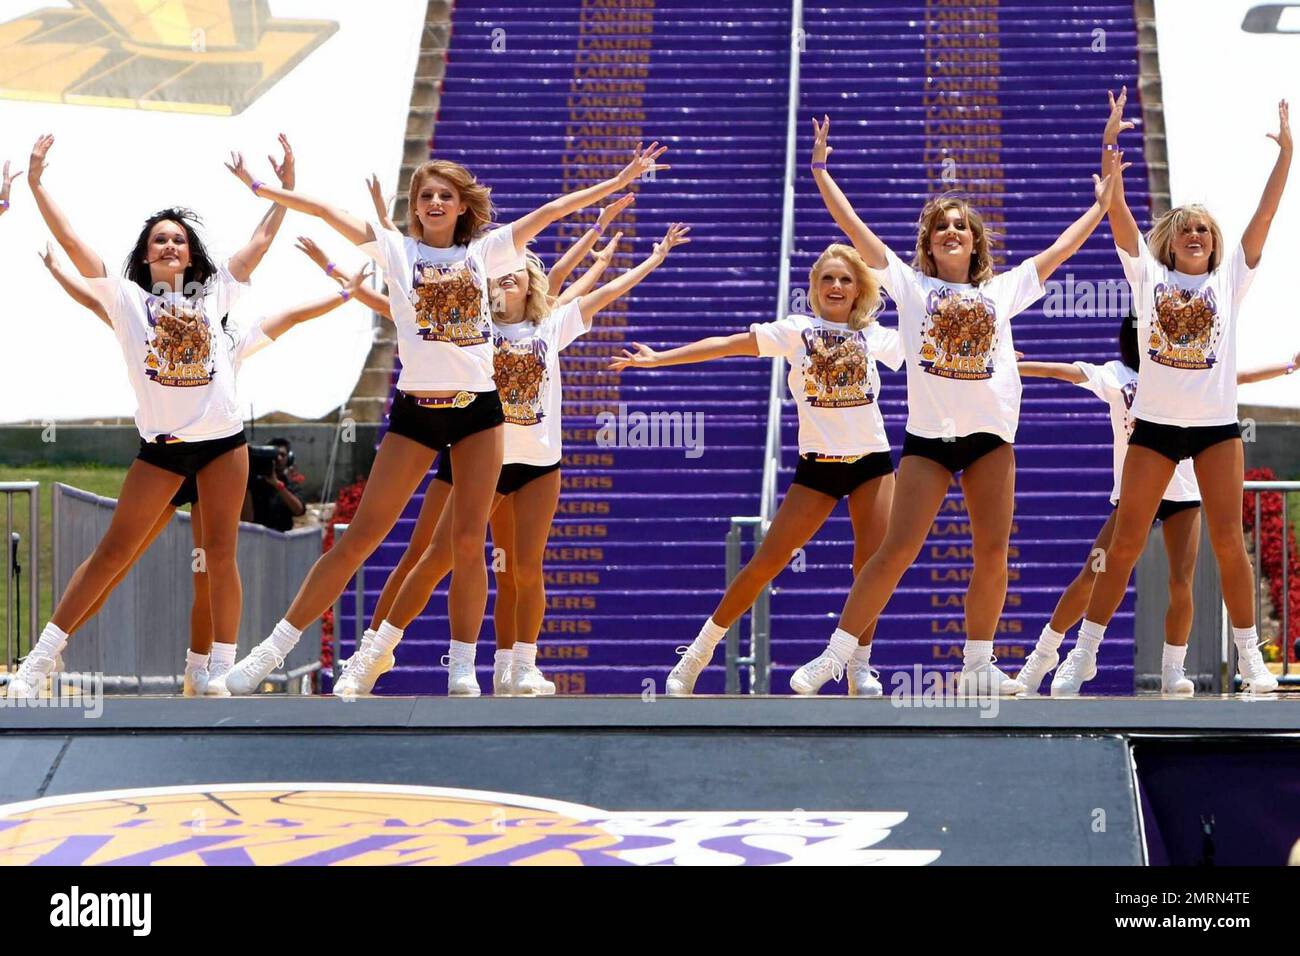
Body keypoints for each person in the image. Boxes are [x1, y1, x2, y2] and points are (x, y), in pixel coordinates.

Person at [215, 143, 669, 695]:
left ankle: (461, 665)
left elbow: (552, 212)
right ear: (415, 206)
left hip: (478, 413)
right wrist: (264, 190)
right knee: (360, 538)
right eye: (426, 194)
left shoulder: (488, 251)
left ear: (460, 206)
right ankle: (270, 652)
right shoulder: (395, 250)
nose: (434, 201)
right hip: (417, 413)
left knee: (467, 540)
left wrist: (619, 178)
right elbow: (328, 211)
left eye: (445, 195)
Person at [794, 114, 1123, 697]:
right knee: (896, 549)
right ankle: (836, 656)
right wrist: (822, 172)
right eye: (941, 227)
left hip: (990, 438)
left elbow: (1057, 253)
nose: (951, 232)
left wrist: (1102, 207)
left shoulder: (1002, 291)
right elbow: (856, 229)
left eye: (961, 228)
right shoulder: (910, 285)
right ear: (929, 243)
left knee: (992, 550)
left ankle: (978, 665)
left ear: (975, 243)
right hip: (928, 440)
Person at [338, 223, 690, 697]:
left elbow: (603, 291)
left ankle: (520, 665)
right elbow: (413, 310)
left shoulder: (551, 324)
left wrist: (654, 257)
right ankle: (375, 652)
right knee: (438, 556)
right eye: (499, 276)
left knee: (525, 569)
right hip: (478, 455)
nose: (506, 281)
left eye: (515, 276)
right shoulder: (472, 327)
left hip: (539, 464)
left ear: (530, 283)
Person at [9, 133, 297, 699]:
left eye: (179, 240)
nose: (169, 246)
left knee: (219, 554)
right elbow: (73, 242)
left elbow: (261, 240)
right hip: (162, 449)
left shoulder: (216, 292)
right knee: (113, 553)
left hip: (222, 445)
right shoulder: (125, 301)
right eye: (159, 240)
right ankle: (39, 662)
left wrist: (284, 186)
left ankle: (218, 667)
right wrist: (39, 184)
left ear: (191, 254)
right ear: (146, 254)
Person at [1051, 91, 1292, 696]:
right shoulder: (1148, 277)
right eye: (1185, 228)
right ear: (1172, 241)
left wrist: (1285, 156)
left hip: (1214, 427)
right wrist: (1110, 146)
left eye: (1203, 231)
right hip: (1154, 426)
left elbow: (1263, 219)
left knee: (1226, 543)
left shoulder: (1229, 280)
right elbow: (1119, 213)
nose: (1194, 235)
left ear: (1213, 243)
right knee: (1125, 543)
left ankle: (1250, 660)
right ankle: (1084, 654)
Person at [611, 244, 900, 696]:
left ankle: (859, 665)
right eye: (828, 279)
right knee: (766, 562)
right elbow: (727, 345)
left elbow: (933, 359)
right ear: (814, 289)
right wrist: (659, 359)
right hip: (818, 466)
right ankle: (696, 656)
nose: (837, 287)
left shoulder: (877, 335)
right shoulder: (796, 331)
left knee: (871, 566)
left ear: (859, 287)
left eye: (846, 279)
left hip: (873, 463)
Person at [1017, 311, 1300, 696]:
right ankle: (1045, 653)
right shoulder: (1115, 375)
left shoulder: (1185, 373)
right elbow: (1062, 372)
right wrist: (1012, 365)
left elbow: (1241, 377)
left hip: (1182, 496)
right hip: (1136, 495)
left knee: (1180, 582)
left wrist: (1288, 366)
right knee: (1094, 572)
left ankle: (1172, 669)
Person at [243, 437, 306, 532]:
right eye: (275, 455)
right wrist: (248, 483)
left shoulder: (290, 485)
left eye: (282, 454)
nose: (278, 458)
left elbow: (299, 510)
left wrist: (277, 484)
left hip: (282, 542)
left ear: (289, 458)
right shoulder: (255, 483)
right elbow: (247, 519)